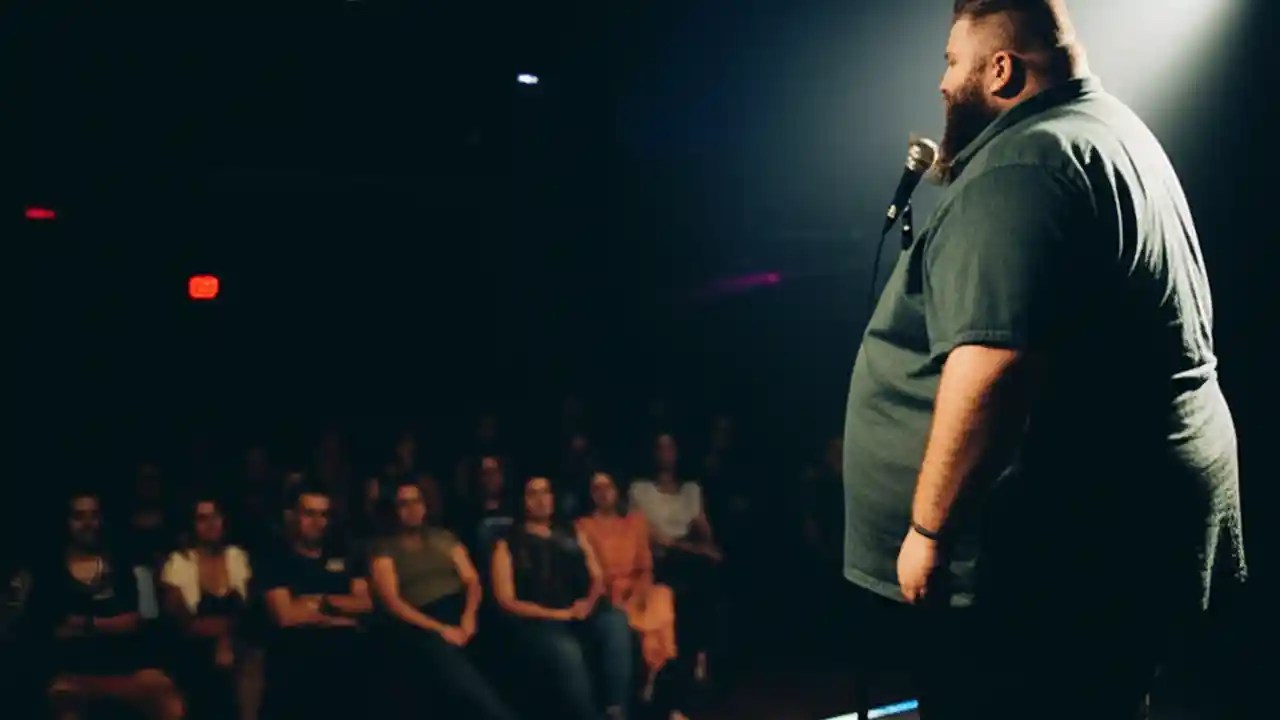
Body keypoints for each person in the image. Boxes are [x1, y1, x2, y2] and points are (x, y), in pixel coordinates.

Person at [840, 2, 1247, 719]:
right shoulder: (1110, 130)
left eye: (952, 61)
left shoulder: (1024, 167)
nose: (941, 83)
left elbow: (994, 368)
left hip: (1058, 560)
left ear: (1000, 69)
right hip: (1127, 530)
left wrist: (930, 532)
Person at [368, 478, 518, 720]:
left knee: (499, 642)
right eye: (404, 504)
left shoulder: (444, 537)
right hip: (421, 615)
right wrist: (440, 629)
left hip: (460, 606)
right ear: (394, 510)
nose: (412, 509)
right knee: (447, 658)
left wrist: (469, 617)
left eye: (417, 501)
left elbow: (472, 580)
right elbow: (392, 601)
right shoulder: (385, 549)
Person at [30, 490, 184, 720]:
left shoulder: (124, 563)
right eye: (79, 516)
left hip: (125, 671)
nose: (87, 523)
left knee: (167, 698)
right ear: (67, 522)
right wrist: (110, 623)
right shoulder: (49, 572)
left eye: (93, 515)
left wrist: (86, 624)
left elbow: (138, 620)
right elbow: (53, 629)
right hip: (74, 675)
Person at [492, 476, 634, 720]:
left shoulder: (572, 532)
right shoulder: (508, 544)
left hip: (581, 609)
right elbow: (506, 600)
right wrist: (558, 615)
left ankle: (616, 710)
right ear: (523, 500)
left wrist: (587, 604)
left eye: (546, 492)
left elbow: (597, 577)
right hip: (541, 619)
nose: (541, 499)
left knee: (616, 621)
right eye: (533, 493)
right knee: (567, 650)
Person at [577, 471, 687, 720]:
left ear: (618, 490)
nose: (603, 493)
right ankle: (665, 703)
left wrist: (639, 593)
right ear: (590, 494)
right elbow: (593, 574)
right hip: (608, 594)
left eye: (608, 486)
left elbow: (645, 567)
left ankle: (664, 697)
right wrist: (617, 595)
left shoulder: (635, 522)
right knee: (650, 629)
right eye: (597, 488)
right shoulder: (584, 526)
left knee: (663, 595)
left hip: (639, 589)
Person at [258, 481, 372, 718]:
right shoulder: (275, 559)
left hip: (349, 659)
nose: (317, 522)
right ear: (291, 516)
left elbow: (366, 604)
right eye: (309, 514)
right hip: (298, 659)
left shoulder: (343, 553)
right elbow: (286, 616)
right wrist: (342, 612)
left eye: (323, 514)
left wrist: (321, 602)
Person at [629, 434, 721, 683]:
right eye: (660, 448)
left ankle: (700, 653)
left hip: (688, 553)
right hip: (660, 554)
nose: (665, 453)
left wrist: (706, 542)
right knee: (691, 564)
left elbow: (703, 529)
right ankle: (684, 658)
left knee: (708, 570)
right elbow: (649, 534)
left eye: (670, 447)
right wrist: (693, 549)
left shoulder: (691, 490)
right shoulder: (640, 490)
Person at [160, 496, 252, 719]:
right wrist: (220, 638)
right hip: (193, 651)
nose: (211, 524)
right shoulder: (178, 562)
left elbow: (248, 612)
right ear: (192, 524)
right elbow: (182, 622)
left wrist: (226, 639)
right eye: (203, 518)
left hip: (238, 646)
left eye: (215, 517)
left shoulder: (237, 557)